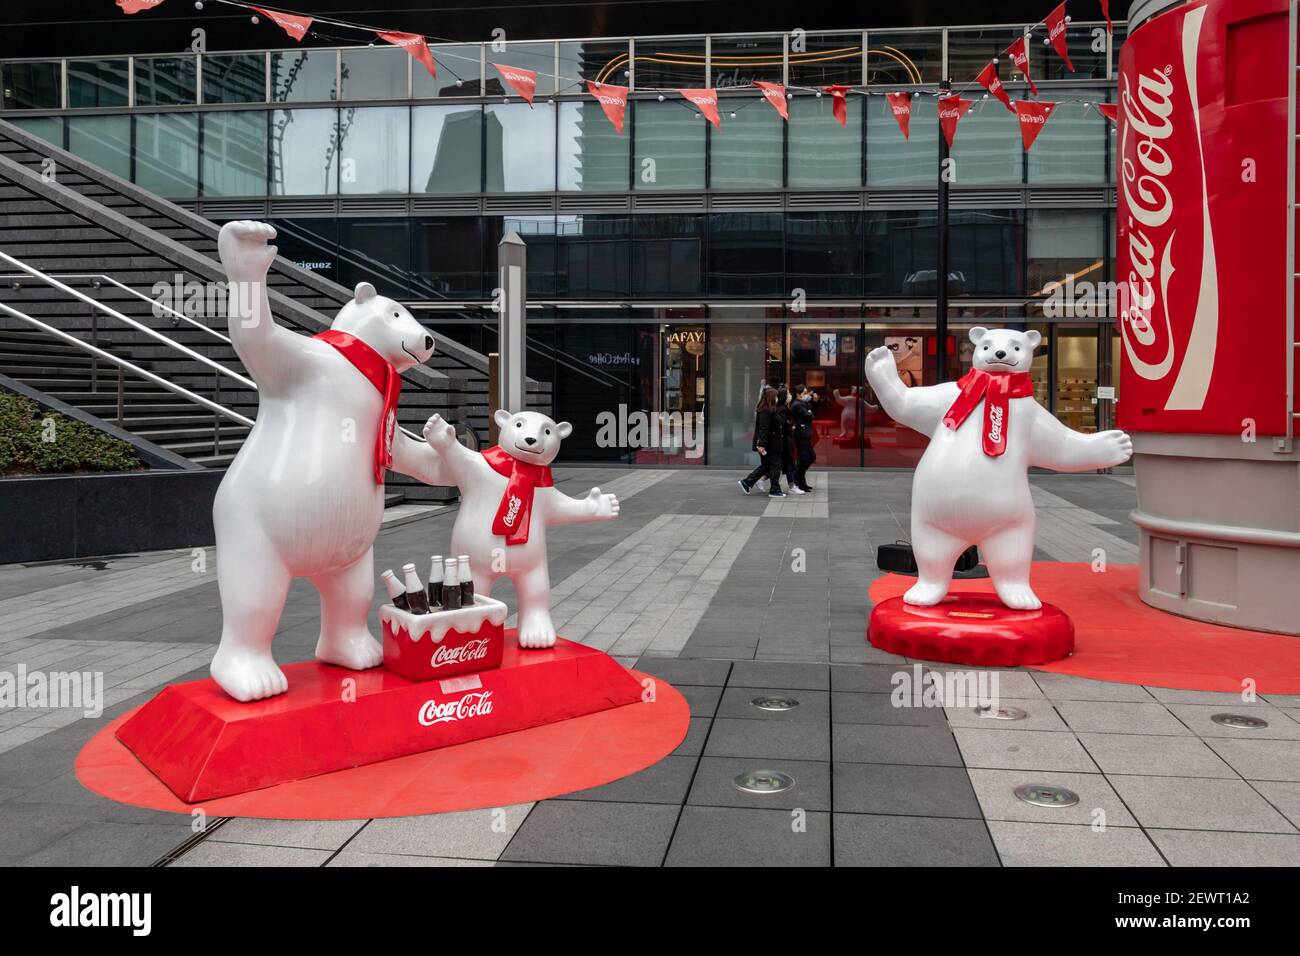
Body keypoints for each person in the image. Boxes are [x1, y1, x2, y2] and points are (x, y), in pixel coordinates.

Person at [739, 386, 785, 498]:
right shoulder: (765, 410)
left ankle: (747, 482)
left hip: (770, 443)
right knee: (775, 465)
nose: (778, 398)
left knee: (767, 465)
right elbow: (763, 428)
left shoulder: (770, 409)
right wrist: (761, 444)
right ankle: (774, 490)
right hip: (770, 444)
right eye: (776, 396)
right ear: (771, 397)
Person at [775, 386, 804, 495]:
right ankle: (758, 480)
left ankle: (791, 485)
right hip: (785, 441)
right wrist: (791, 425)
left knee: (787, 464)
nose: (790, 396)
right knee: (787, 464)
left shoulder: (785, 407)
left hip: (787, 440)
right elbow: (785, 423)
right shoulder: (782, 409)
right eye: (788, 394)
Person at [790, 384, 818, 493]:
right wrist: (810, 412)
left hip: (805, 434)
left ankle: (800, 480)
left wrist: (814, 402)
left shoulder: (803, 403)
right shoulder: (797, 404)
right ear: (798, 394)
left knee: (810, 457)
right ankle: (798, 481)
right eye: (804, 393)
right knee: (804, 458)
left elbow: (812, 413)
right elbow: (810, 415)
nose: (806, 395)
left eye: (806, 392)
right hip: (801, 435)